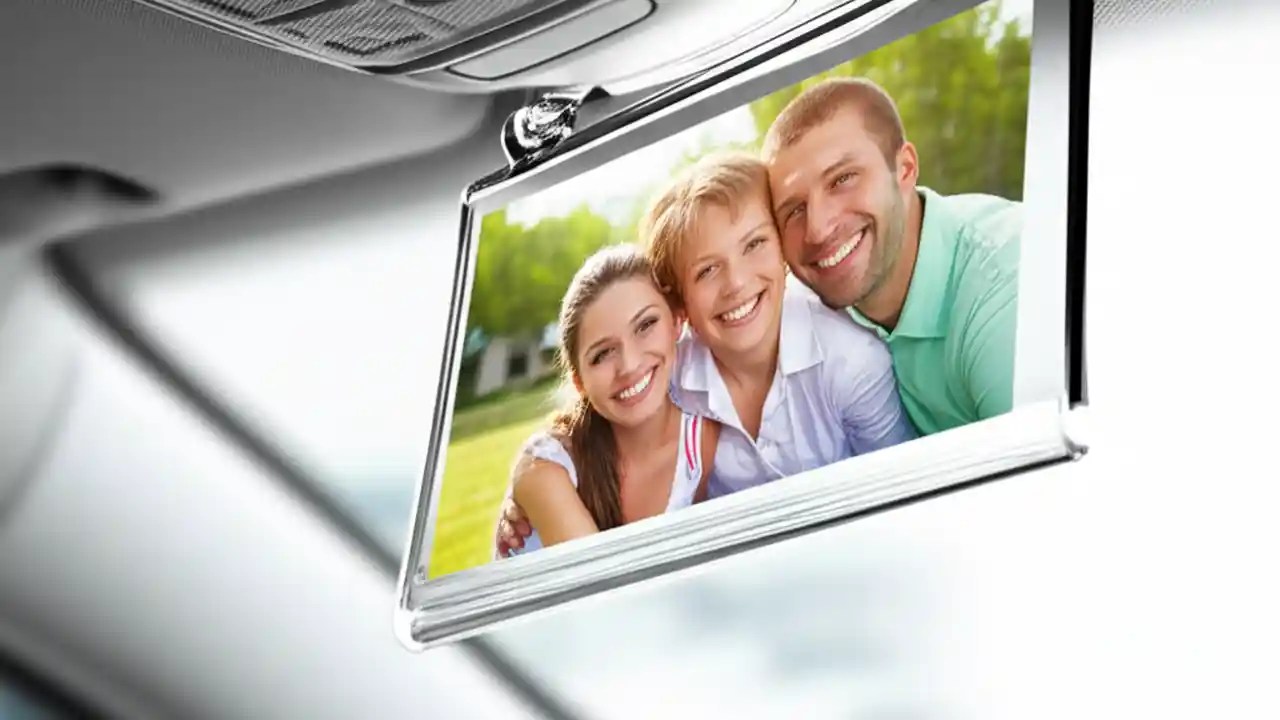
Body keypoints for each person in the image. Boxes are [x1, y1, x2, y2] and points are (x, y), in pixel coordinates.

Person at [496, 154, 915, 555]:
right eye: (707, 271)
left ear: (783, 250)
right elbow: (602, 391)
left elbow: (909, 494)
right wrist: (533, 473)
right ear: (681, 309)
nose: (736, 283)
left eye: (754, 244)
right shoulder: (668, 373)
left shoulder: (853, 363)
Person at [762, 77, 1021, 435]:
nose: (818, 230)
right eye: (793, 210)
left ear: (905, 169)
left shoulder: (1007, 288)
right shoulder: (806, 315)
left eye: (842, 179)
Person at [496, 244, 719, 555]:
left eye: (645, 325)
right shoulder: (544, 470)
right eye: (602, 354)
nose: (629, 365)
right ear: (579, 382)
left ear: (676, 322)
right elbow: (606, 594)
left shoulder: (704, 443)